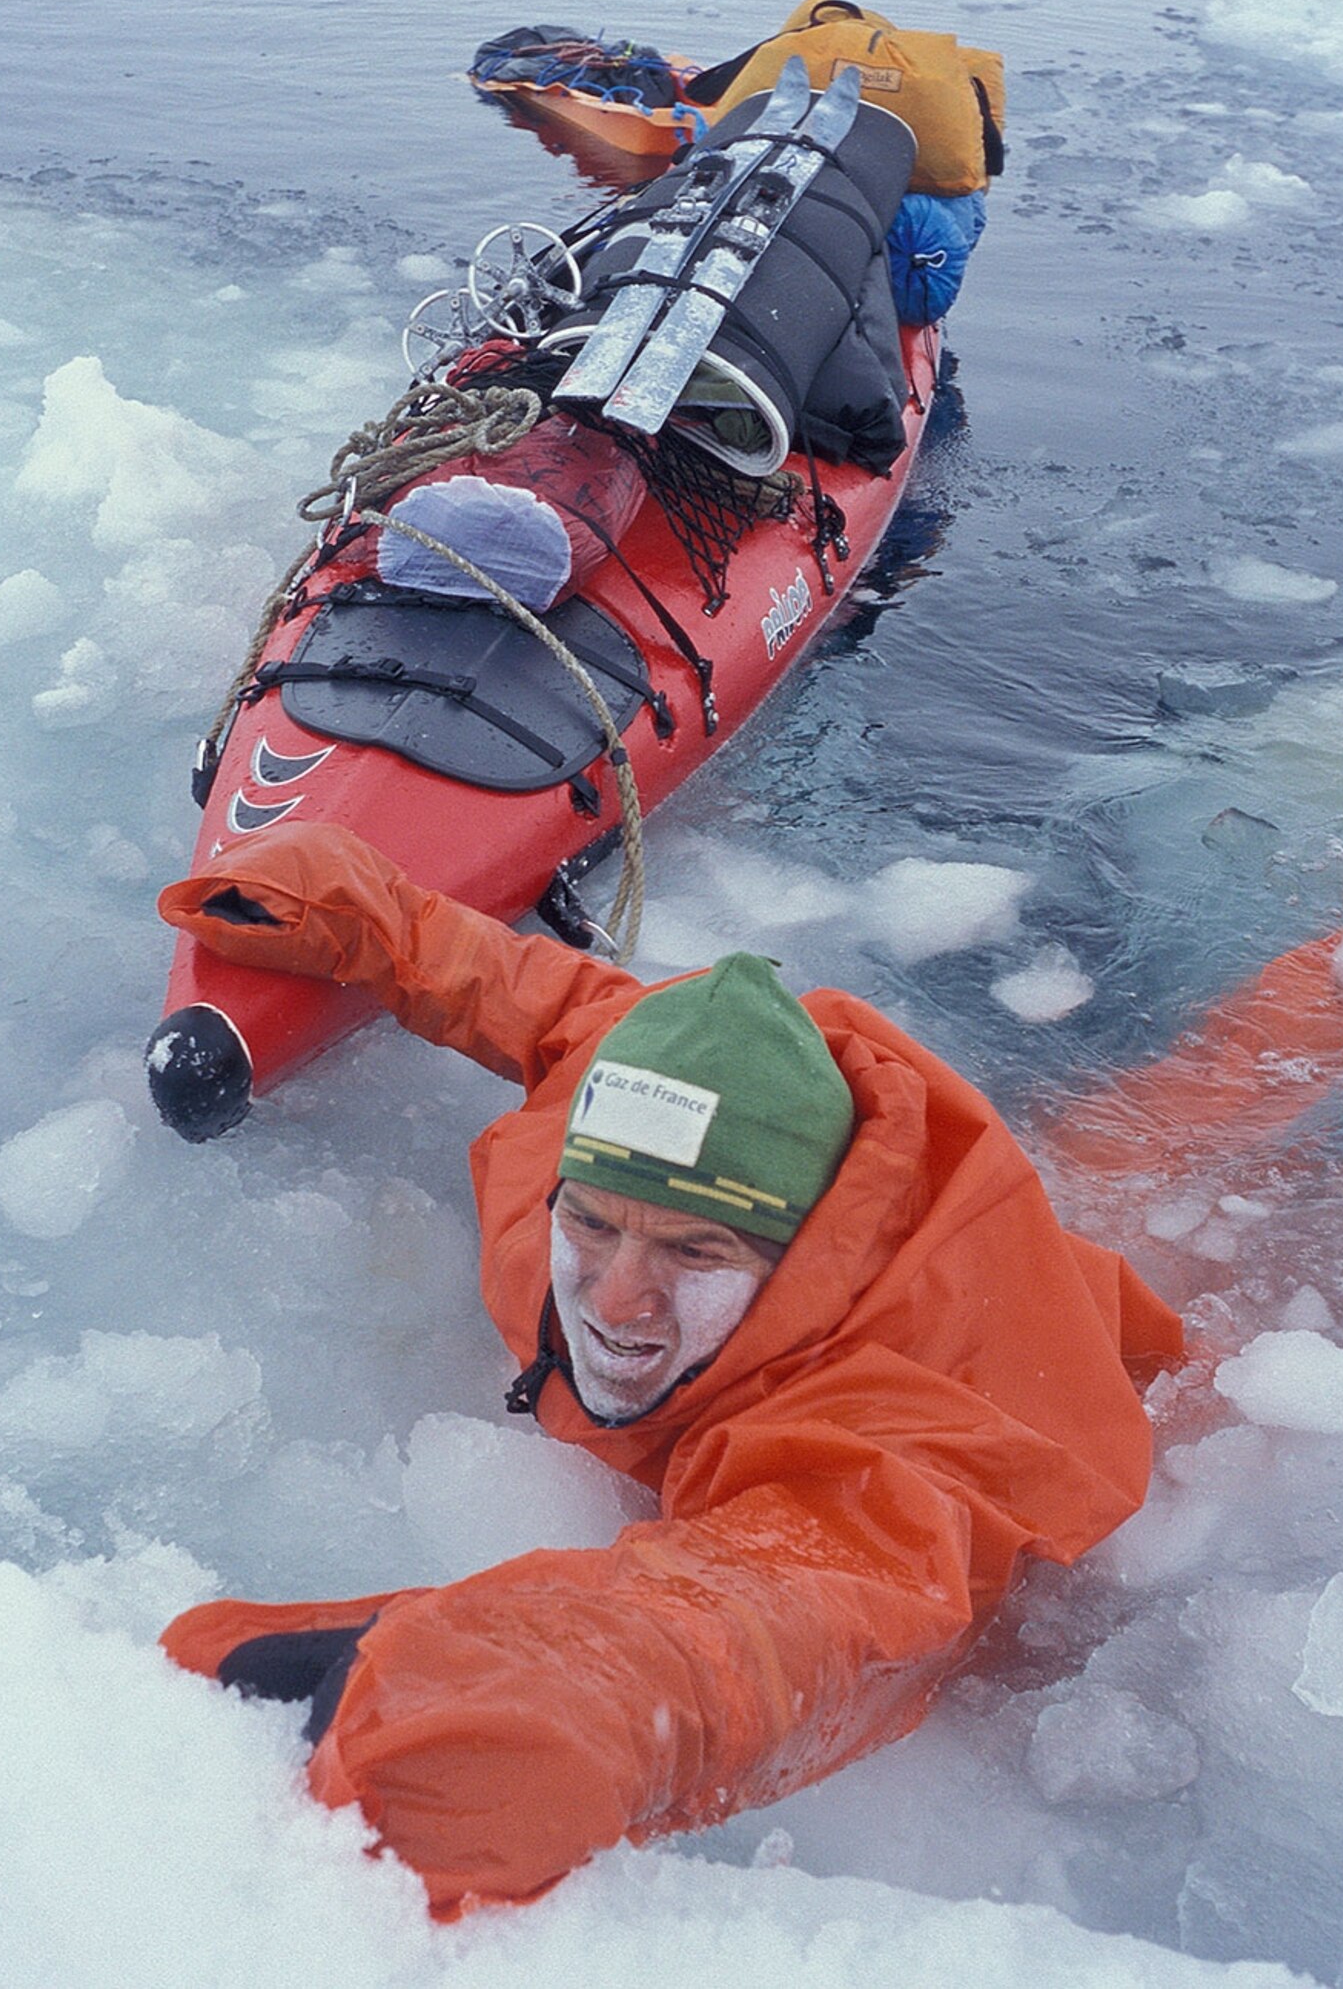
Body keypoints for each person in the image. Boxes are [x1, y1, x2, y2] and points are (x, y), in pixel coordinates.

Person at [152, 820, 1184, 1914]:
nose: (614, 1299)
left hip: (1094, 1324)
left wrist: (567, 1692)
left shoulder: (897, 1416)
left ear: (799, 1257)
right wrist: (359, 909)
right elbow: (547, 1000)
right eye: (593, 1224)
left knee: (1200, 1111)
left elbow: (805, 1602)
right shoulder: (620, 1121)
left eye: (695, 1253)